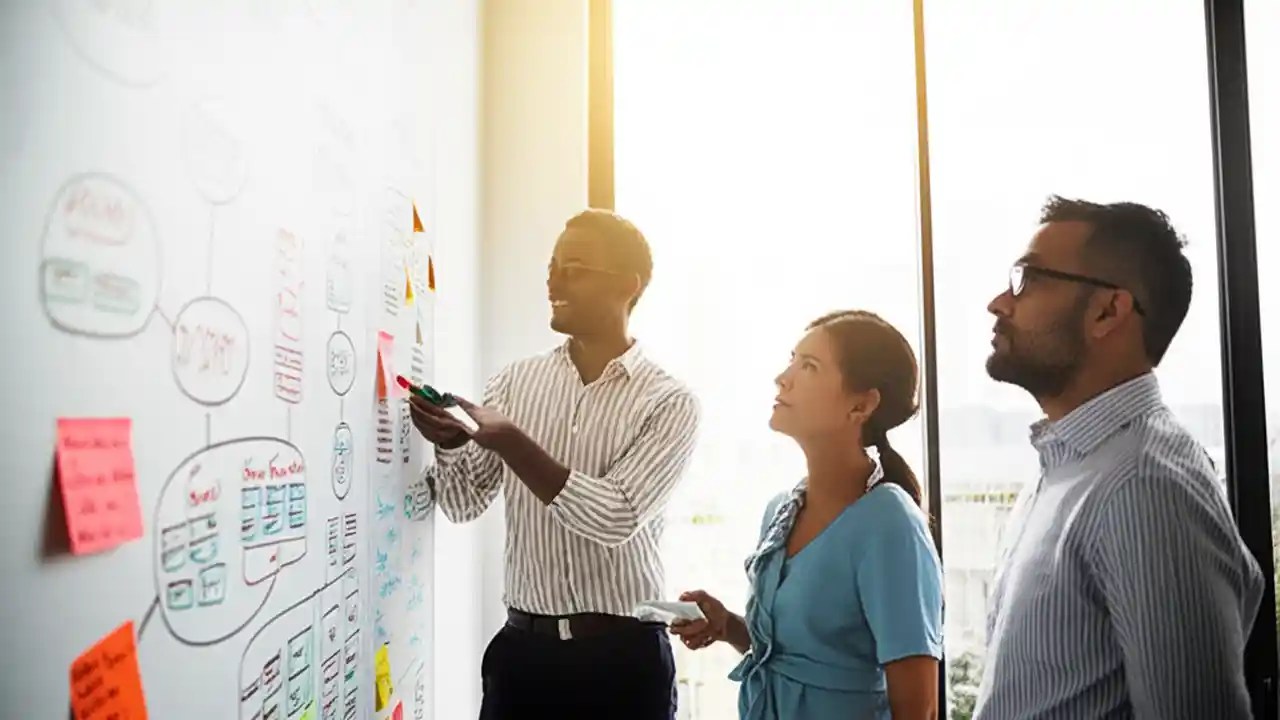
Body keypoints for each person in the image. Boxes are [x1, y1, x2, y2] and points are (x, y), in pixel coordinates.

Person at [974, 196, 1265, 719]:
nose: (999, 301)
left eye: (1028, 278)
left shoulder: (1144, 484)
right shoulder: (1069, 465)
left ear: (1109, 310)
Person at [408, 209, 700, 719]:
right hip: (523, 658)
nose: (553, 280)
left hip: (624, 664)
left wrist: (514, 443)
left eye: (576, 267)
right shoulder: (513, 383)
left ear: (627, 286)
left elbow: (615, 517)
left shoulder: (669, 402)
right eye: (552, 265)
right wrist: (451, 443)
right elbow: (462, 503)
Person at [671, 310, 943, 720]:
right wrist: (727, 625)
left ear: (862, 404)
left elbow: (916, 709)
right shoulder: (780, 511)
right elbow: (799, 659)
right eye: (792, 359)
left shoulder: (889, 522)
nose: (784, 377)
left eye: (809, 366)